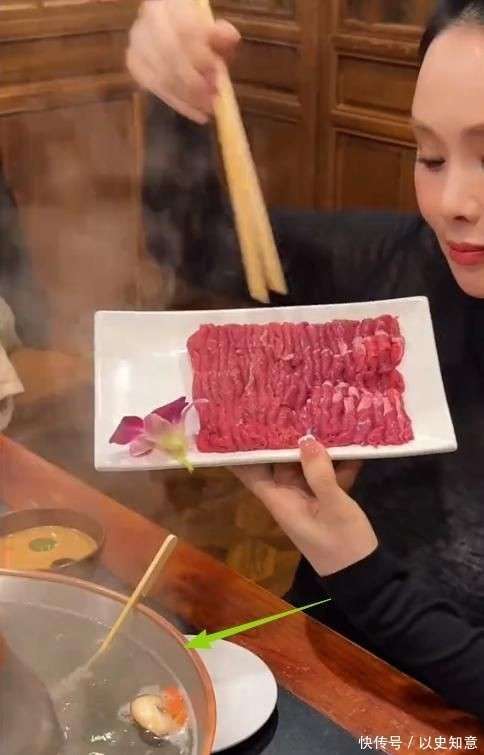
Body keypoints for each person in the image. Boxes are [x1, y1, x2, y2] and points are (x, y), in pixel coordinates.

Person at [127, 0, 484, 719]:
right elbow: (197, 246)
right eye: (430, 156)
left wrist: (359, 568)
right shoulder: (397, 266)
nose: (452, 201)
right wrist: (179, 99)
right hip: (320, 657)